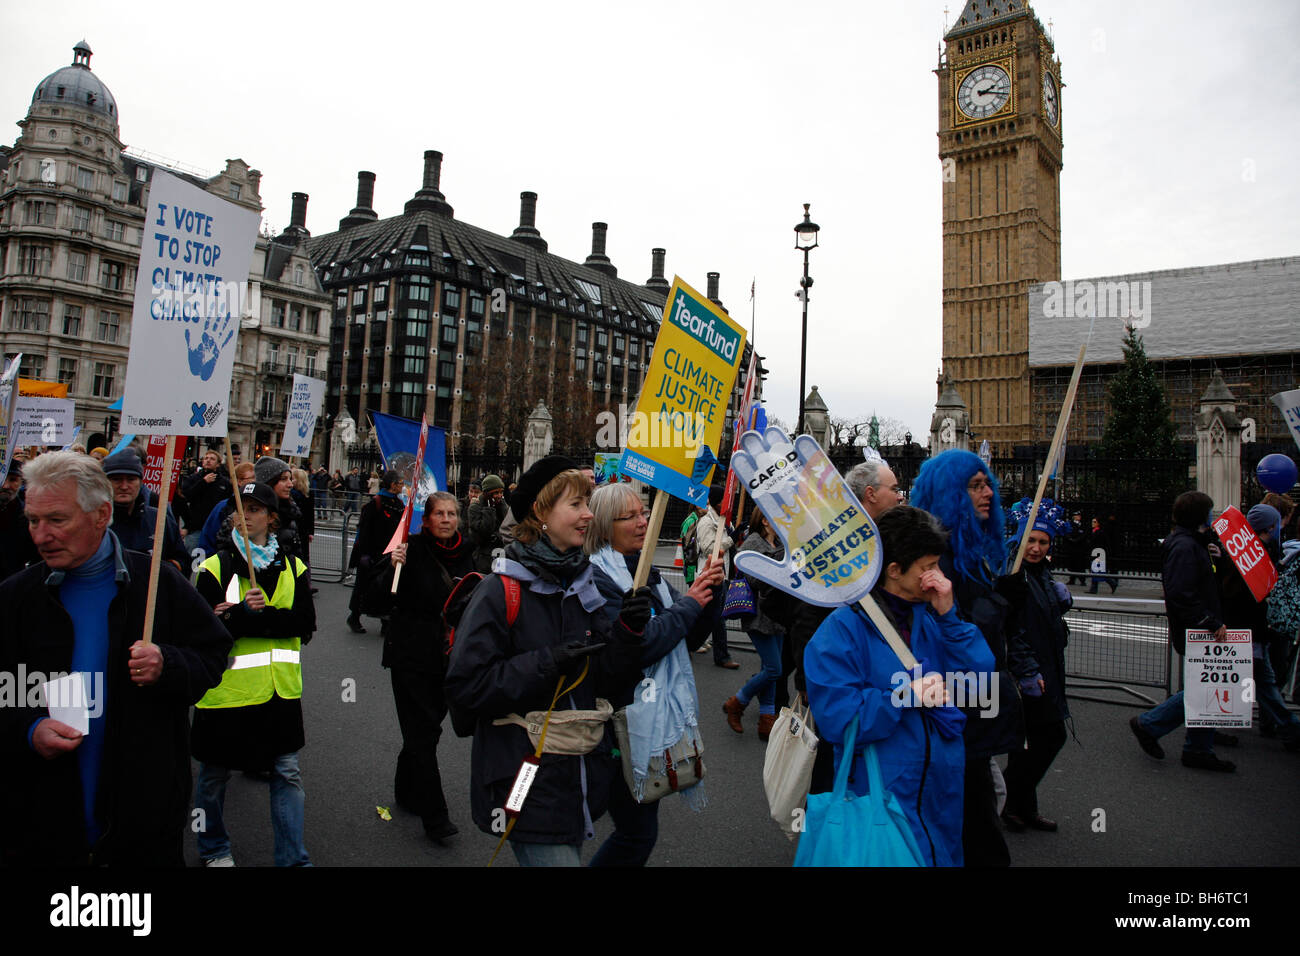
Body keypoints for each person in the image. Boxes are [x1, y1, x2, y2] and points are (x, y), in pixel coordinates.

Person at [0, 451, 231, 866]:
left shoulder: (158, 582)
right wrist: (28, 727)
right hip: (41, 824)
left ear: (101, 514)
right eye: (33, 520)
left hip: (142, 824)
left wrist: (169, 663)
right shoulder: (15, 597)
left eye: (56, 520)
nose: (40, 535)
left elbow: (213, 656)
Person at [444, 456, 646, 866]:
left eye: (587, 503)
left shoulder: (583, 582)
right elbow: (467, 688)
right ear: (540, 512)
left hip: (576, 780)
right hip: (523, 780)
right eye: (576, 505)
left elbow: (601, 678)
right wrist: (547, 662)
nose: (589, 514)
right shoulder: (501, 592)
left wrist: (627, 632)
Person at [804, 505, 996, 867]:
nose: (937, 576)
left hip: (942, 785)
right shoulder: (843, 629)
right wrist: (904, 697)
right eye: (928, 567)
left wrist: (951, 616)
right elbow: (837, 719)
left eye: (938, 564)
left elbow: (981, 682)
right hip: (881, 789)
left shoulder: (935, 616)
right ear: (894, 570)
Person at [583, 483, 723, 866]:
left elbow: (687, 636)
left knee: (637, 829)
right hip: (617, 721)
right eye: (629, 517)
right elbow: (641, 645)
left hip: (652, 715)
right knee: (635, 833)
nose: (643, 522)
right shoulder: (598, 578)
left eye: (643, 512)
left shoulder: (647, 571)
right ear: (603, 526)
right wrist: (690, 603)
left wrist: (710, 591)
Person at [910, 449, 1025, 867]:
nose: (988, 493)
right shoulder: (931, 560)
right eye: (975, 486)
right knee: (977, 830)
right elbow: (941, 635)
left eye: (987, 484)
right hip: (951, 712)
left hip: (977, 705)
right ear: (949, 492)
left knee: (979, 813)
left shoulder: (975, 554)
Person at [192, 481, 315, 866]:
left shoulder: (294, 567)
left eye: (255, 509)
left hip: (279, 692)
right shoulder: (214, 567)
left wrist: (246, 616)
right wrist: (242, 616)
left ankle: (292, 858)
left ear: (272, 519)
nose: (245, 516)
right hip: (227, 691)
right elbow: (206, 632)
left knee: (287, 774)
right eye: (239, 508)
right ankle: (213, 848)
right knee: (213, 776)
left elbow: (304, 625)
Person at [383, 491, 476, 841]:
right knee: (422, 734)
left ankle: (406, 789)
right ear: (426, 519)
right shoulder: (410, 550)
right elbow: (377, 597)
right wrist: (392, 566)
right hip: (410, 656)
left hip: (448, 658)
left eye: (453, 513)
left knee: (425, 732)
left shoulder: (467, 553)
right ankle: (435, 818)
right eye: (440, 514)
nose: (448, 520)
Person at [1128, 491, 1236, 771]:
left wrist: (1216, 554)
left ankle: (1200, 743)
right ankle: (1150, 724)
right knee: (1202, 687)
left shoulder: (1193, 542)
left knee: (1206, 684)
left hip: (1201, 626)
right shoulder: (1184, 547)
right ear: (1200, 515)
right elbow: (1181, 592)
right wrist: (1208, 621)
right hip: (1198, 629)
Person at [1001, 498, 1073, 832]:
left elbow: (1048, 622)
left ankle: (1022, 805)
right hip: (1030, 671)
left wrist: (1062, 607)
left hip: (1049, 667)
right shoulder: (1014, 575)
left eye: (1043, 542)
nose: (1036, 547)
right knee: (1047, 737)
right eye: (1031, 539)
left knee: (1030, 742)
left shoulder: (1043, 575)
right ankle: (1008, 800)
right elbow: (1012, 627)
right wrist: (1026, 668)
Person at [723, 507, 788, 740]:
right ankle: (737, 702)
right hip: (758, 615)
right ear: (765, 521)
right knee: (774, 669)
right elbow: (755, 579)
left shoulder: (781, 543)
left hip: (779, 614)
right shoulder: (752, 543)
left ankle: (766, 719)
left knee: (769, 670)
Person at [100, 450, 189, 572]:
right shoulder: (94, 521)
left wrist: (165, 571)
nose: (124, 486)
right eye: (117, 479)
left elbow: (182, 561)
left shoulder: (160, 521)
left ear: (140, 482)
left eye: (131, 479)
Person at [347, 469, 406, 633]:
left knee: (387, 588)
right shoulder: (376, 502)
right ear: (393, 485)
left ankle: (385, 621)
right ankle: (354, 617)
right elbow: (364, 530)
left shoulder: (399, 504)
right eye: (400, 483)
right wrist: (364, 554)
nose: (403, 486)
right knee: (363, 586)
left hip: (390, 553)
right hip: (372, 552)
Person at [696, 485, 738, 669]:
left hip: (723, 573)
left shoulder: (725, 520)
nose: (727, 504)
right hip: (710, 575)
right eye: (724, 500)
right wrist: (731, 539)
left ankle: (686, 641)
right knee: (717, 616)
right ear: (717, 501)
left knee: (709, 614)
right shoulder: (706, 523)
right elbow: (709, 549)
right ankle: (722, 656)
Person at [197, 461, 257, 562]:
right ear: (239, 481)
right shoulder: (224, 507)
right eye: (252, 478)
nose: (256, 481)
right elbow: (207, 539)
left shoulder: (263, 508)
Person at [177, 449, 232, 552]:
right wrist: (203, 482)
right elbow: (187, 496)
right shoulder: (193, 478)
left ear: (218, 464)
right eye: (206, 458)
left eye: (212, 459)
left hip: (216, 530)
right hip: (196, 529)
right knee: (192, 560)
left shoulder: (224, 483)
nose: (208, 461)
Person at [0, 461, 38, 581]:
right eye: (2, 479)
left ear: (21, 482)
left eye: (13, 480)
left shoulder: (30, 517)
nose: (6, 485)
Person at [468, 474, 507, 573]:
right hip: (483, 558)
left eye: (501, 492)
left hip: (500, 553)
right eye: (496, 493)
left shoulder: (502, 505)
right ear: (487, 493)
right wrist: (489, 510)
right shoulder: (475, 507)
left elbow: (507, 526)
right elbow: (484, 531)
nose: (499, 496)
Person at [1087, 517, 1118, 594]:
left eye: (1094, 522)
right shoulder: (1093, 531)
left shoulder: (1100, 532)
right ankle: (1095, 588)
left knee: (1098, 572)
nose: (1092, 523)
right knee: (1096, 571)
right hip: (1095, 553)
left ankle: (1111, 583)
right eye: (1092, 521)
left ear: (1098, 523)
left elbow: (1103, 544)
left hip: (1098, 554)